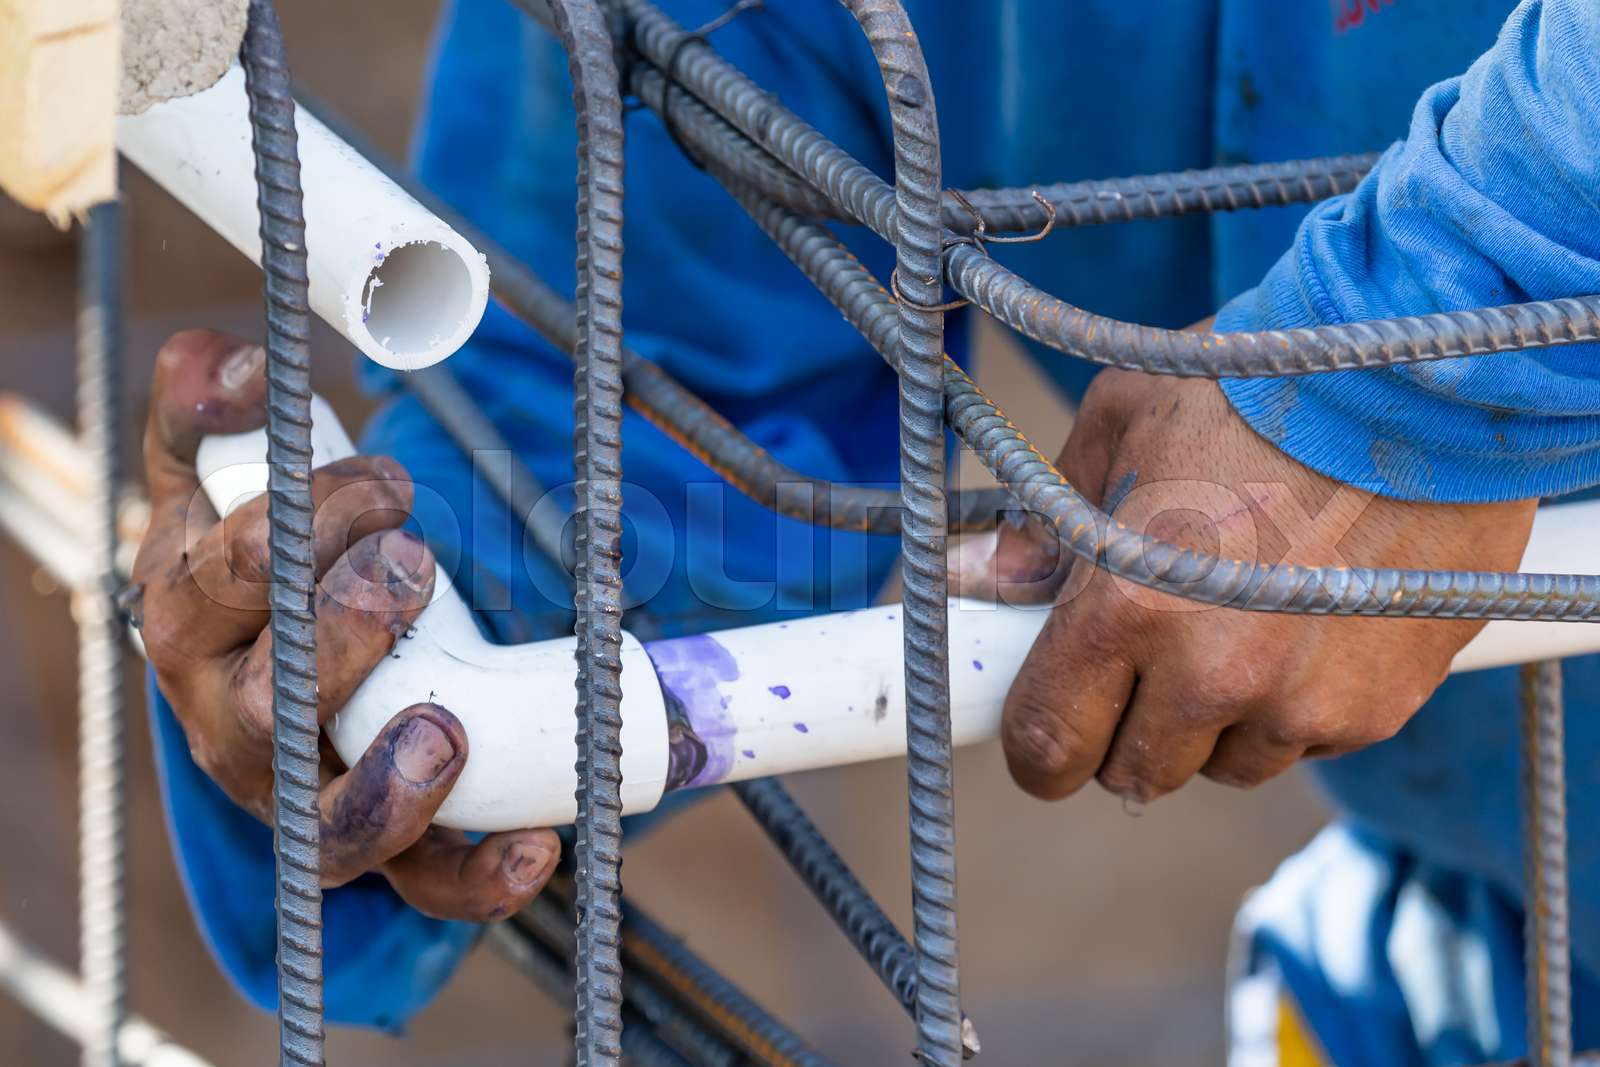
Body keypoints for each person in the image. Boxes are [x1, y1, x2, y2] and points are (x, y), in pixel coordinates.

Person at [131, 0, 1600, 1060]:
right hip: (1494, 956)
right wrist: (363, 650)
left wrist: (1411, 350)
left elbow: (1391, 373)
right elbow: (654, 402)